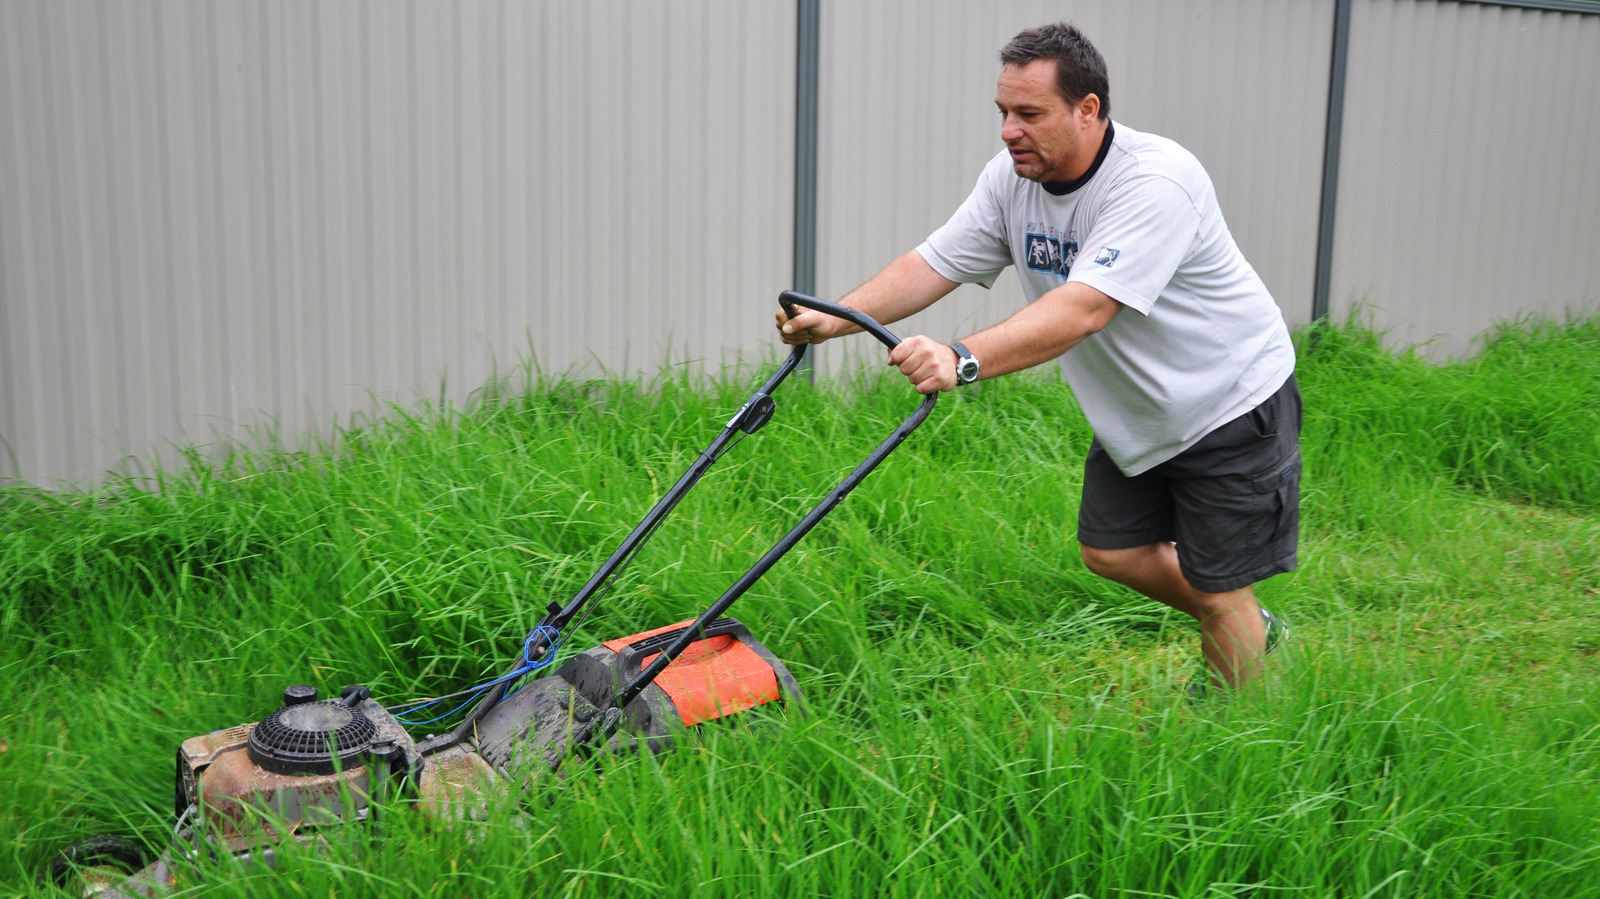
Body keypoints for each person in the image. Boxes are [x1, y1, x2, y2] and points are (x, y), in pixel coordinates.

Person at [777, 22, 1300, 692]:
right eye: (1003, 112)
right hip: (1140, 410)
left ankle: (1245, 739)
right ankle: (1250, 625)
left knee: (1218, 582)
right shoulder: (1010, 181)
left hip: (1229, 399)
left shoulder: (1156, 181)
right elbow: (933, 263)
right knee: (1111, 551)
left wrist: (961, 357)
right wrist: (834, 318)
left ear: (1088, 110)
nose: (1008, 130)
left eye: (1029, 113)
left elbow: (1085, 308)